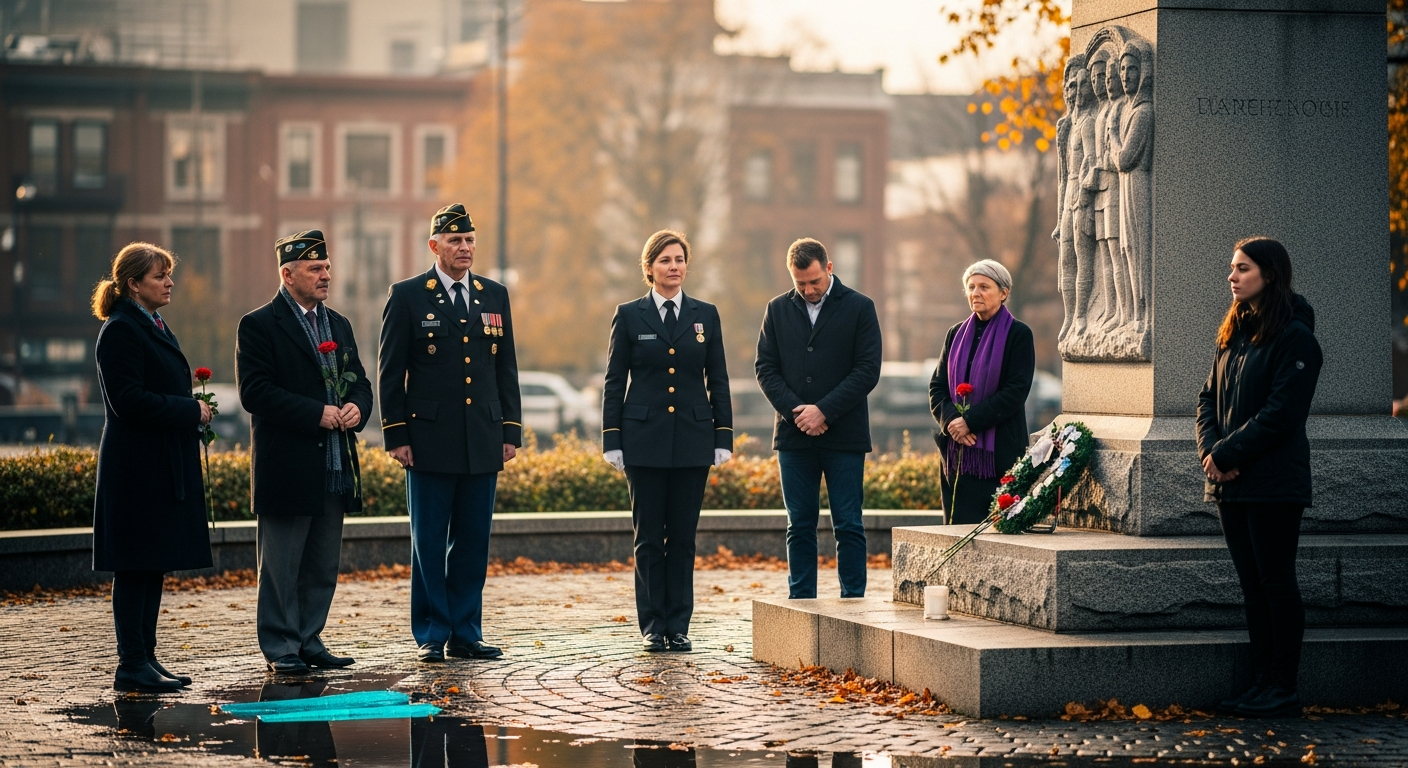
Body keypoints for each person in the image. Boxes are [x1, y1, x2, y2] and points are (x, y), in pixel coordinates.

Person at [379, 204, 522, 663]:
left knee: (472, 541)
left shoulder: (493, 295)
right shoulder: (407, 296)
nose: (465, 248)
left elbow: (505, 368)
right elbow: (390, 372)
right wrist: (396, 435)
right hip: (428, 441)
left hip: (481, 437)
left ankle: (466, 632)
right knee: (429, 542)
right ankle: (431, 632)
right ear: (434, 246)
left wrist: (510, 431)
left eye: (470, 240)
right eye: (455, 241)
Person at [236, 230, 373, 675]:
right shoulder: (257, 325)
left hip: (334, 466)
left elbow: (361, 383)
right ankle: (280, 646)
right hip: (287, 466)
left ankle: (309, 639)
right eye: (315, 269)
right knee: (280, 566)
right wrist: (317, 413)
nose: (325, 275)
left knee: (320, 563)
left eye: (327, 267)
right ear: (287, 274)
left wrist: (357, 407)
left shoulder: (340, 324)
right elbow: (254, 392)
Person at [1197, 237, 1322, 718]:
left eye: (1243, 268)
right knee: (1252, 586)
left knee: (1275, 582)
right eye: (1232, 267)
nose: (1232, 276)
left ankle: (1282, 686)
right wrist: (1211, 450)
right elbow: (1206, 399)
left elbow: (1282, 414)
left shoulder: (1295, 337)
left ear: (1269, 274)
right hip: (1231, 481)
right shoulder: (1235, 332)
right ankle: (1259, 682)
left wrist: (1229, 450)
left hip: (1273, 482)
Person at [601, 230, 732, 652]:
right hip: (643, 440)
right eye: (664, 260)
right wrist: (612, 439)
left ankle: (679, 624)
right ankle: (653, 625)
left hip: (693, 440)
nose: (673, 267)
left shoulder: (705, 315)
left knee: (683, 537)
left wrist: (722, 435)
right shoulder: (629, 315)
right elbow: (614, 380)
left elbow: (719, 379)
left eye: (679, 259)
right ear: (649, 268)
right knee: (648, 537)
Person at [91, 242, 213, 693]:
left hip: (158, 464)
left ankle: (147, 658)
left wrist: (190, 410)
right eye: (160, 275)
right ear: (133, 284)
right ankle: (131, 663)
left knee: (153, 563)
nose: (169, 282)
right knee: (135, 566)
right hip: (135, 468)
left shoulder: (152, 323)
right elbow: (127, 401)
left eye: (168, 274)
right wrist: (189, 410)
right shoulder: (121, 329)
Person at [755, 238, 881, 599]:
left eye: (814, 281)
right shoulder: (776, 309)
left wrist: (823, 410)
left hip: (844, 434)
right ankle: (801, 600)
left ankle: (853, 599)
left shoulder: (860, 307)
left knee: (848, 523)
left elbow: (867, 370)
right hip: (794, 437)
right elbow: (765, 369)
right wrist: (798, 412)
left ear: (829, 267)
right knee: (799, 524)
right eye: (800, 284)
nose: (809, 290)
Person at [928, 260, 1036, 524]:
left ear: (1003, 292)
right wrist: (952, 421)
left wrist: (969, 421)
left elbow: (1015, 391)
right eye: (971, 287)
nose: (975, 292)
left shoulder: (1018, 334)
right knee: (957, 526)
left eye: (984, 287)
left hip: (999, 453)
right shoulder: (955, 334)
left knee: (998, 530)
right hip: (958, 454)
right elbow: (937, 387)